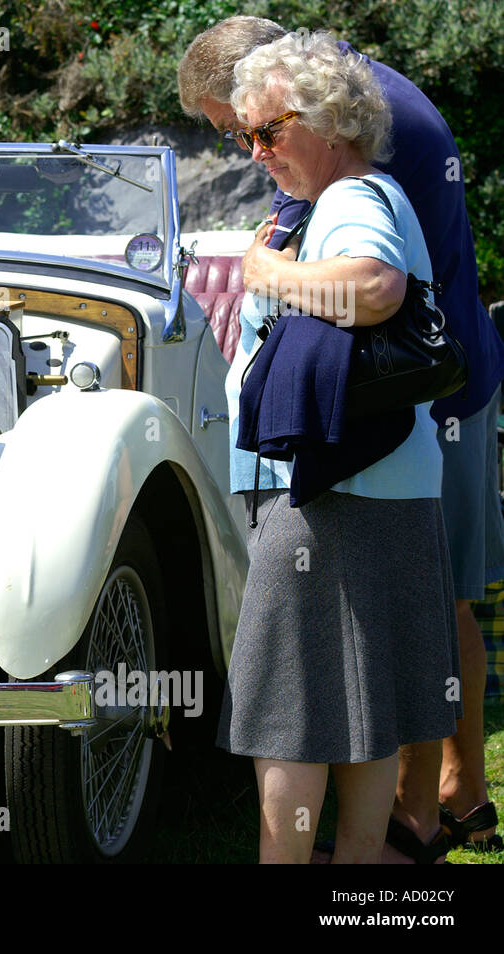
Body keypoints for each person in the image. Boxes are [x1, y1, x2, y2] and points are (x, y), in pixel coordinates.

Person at [179, 15, 504, 860]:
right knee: (371, 708)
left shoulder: (352, 198)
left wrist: (266, 274)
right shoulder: (350, 194)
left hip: (325, 493)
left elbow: (375, 286)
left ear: (324, 118)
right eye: (243, 133)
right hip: (374, 482)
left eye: (264, 132)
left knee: (288, 717)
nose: (253, 151)